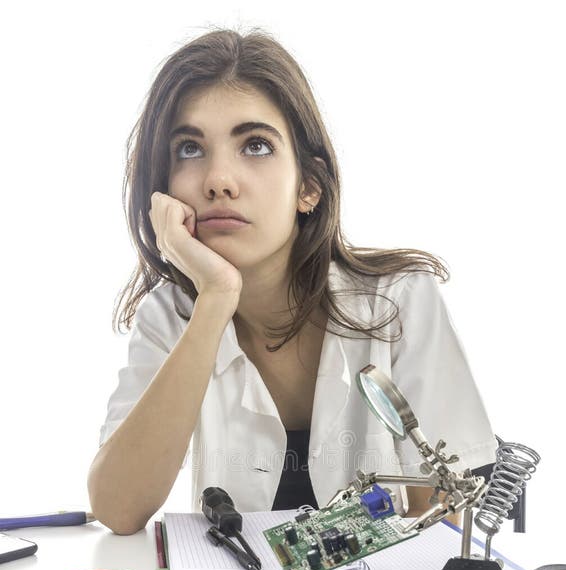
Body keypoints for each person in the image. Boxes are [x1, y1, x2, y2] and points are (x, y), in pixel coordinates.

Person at [88, 27, 497, 535]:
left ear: (309, 187)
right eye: (189, 149)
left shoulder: (400, 300)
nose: (219, 179)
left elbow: (451, 512)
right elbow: (118, 508)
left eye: (255, 146)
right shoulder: (170, 316)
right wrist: (215, 299)